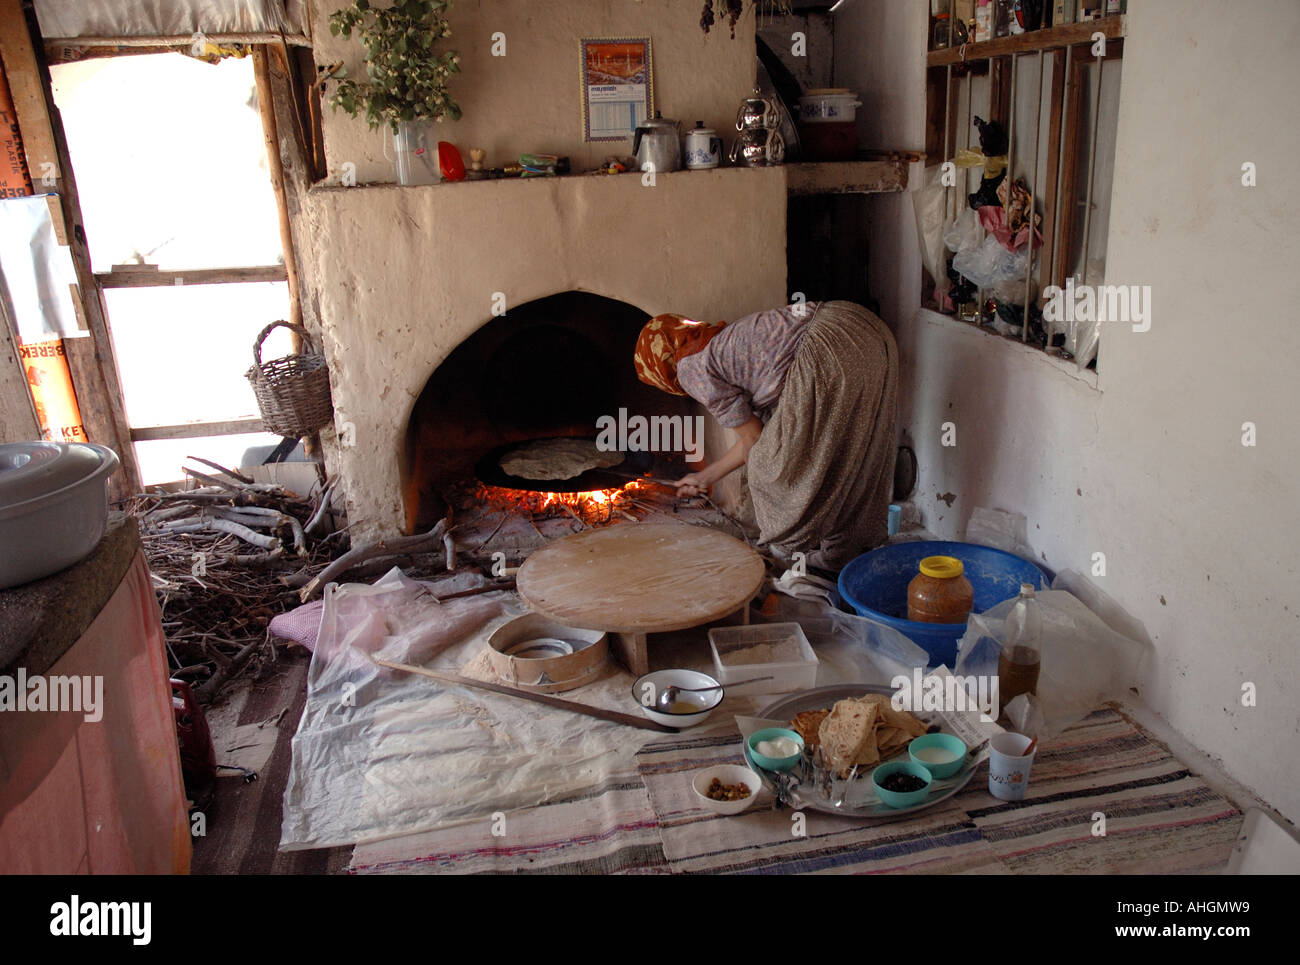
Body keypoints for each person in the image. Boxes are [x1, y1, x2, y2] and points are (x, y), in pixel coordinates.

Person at [633, 300, 898, 570]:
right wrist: (704, 476)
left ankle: (785, 555)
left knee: (769, 466)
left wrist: (713, 475)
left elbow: (754, 441)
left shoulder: (689, 368)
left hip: (826, 349)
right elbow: (753, 435)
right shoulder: (717, 341)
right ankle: (845, 553)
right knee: (854, 447)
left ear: (662, 372)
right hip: (861, 326)